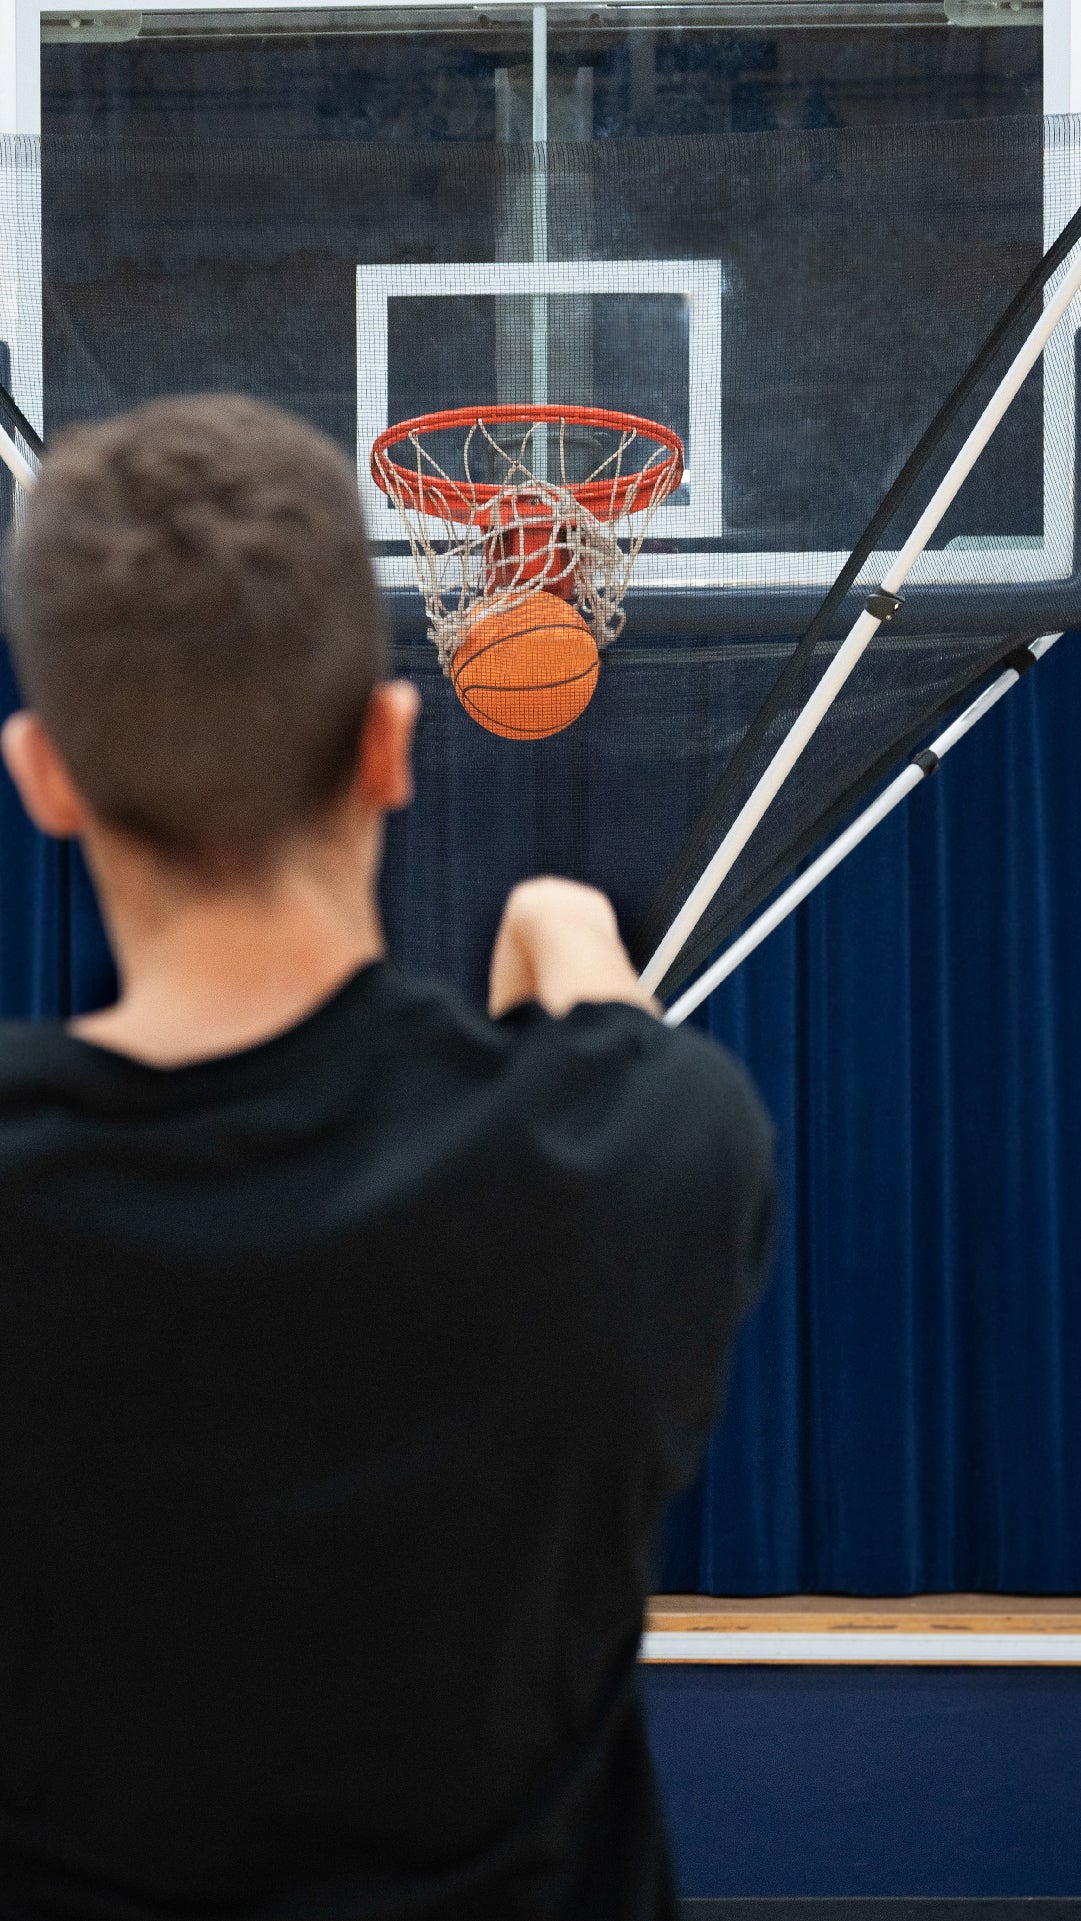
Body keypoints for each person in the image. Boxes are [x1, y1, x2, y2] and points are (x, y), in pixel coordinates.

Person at [0, 395, 775, 1921]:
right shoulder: (649, 1150)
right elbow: (592, 990)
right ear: (388, 740)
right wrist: (554, 911)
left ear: (45, 776)